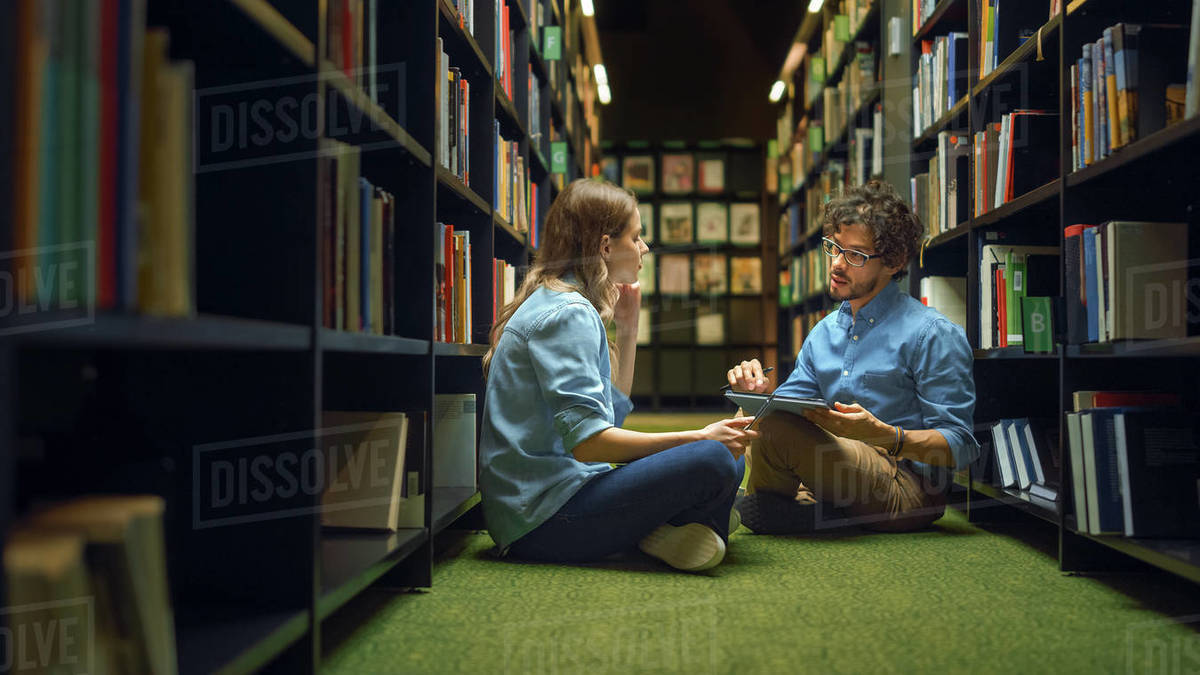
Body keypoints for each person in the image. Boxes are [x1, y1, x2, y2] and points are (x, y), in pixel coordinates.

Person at [480, 178, 757, 572]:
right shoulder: (567, 314)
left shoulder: (565, 301)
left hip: (563, 497)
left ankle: (663, 530)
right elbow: (591, 445)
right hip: (543, 522)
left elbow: (608, 420)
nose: (644, 249)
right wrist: (699, 436)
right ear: (605, 246)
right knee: (713, 456)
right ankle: (674, 526)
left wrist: (628, 330)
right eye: (637, 237)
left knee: (731, 459)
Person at [727, 180, 979, 533]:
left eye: (855, 255)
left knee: (771, 428)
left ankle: (777, 510)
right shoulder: (824, 332)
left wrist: (887, 436)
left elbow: (962, 445)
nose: (837, 264)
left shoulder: (932, 334)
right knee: (755, 416)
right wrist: (758, 394)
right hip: (839, 468)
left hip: (905, 485)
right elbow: (789, 412)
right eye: (834, 248)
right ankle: (797, 511)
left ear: (893, 262)